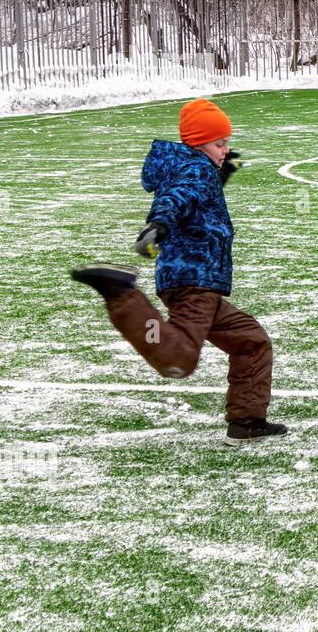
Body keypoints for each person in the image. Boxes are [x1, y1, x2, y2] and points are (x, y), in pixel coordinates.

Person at [70, 98, 286, 444]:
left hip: (203, 285)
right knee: (178, 360)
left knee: (252, 343)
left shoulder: (196, 167)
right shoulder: (195, 170)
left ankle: (246, 422)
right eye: (219, 144)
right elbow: (179, 196)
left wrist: (226, 169)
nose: (226, 149)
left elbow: (199, 195)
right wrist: (158, 225)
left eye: (227, 142)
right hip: (193, 282)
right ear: (197, 143)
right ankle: (120, 294)